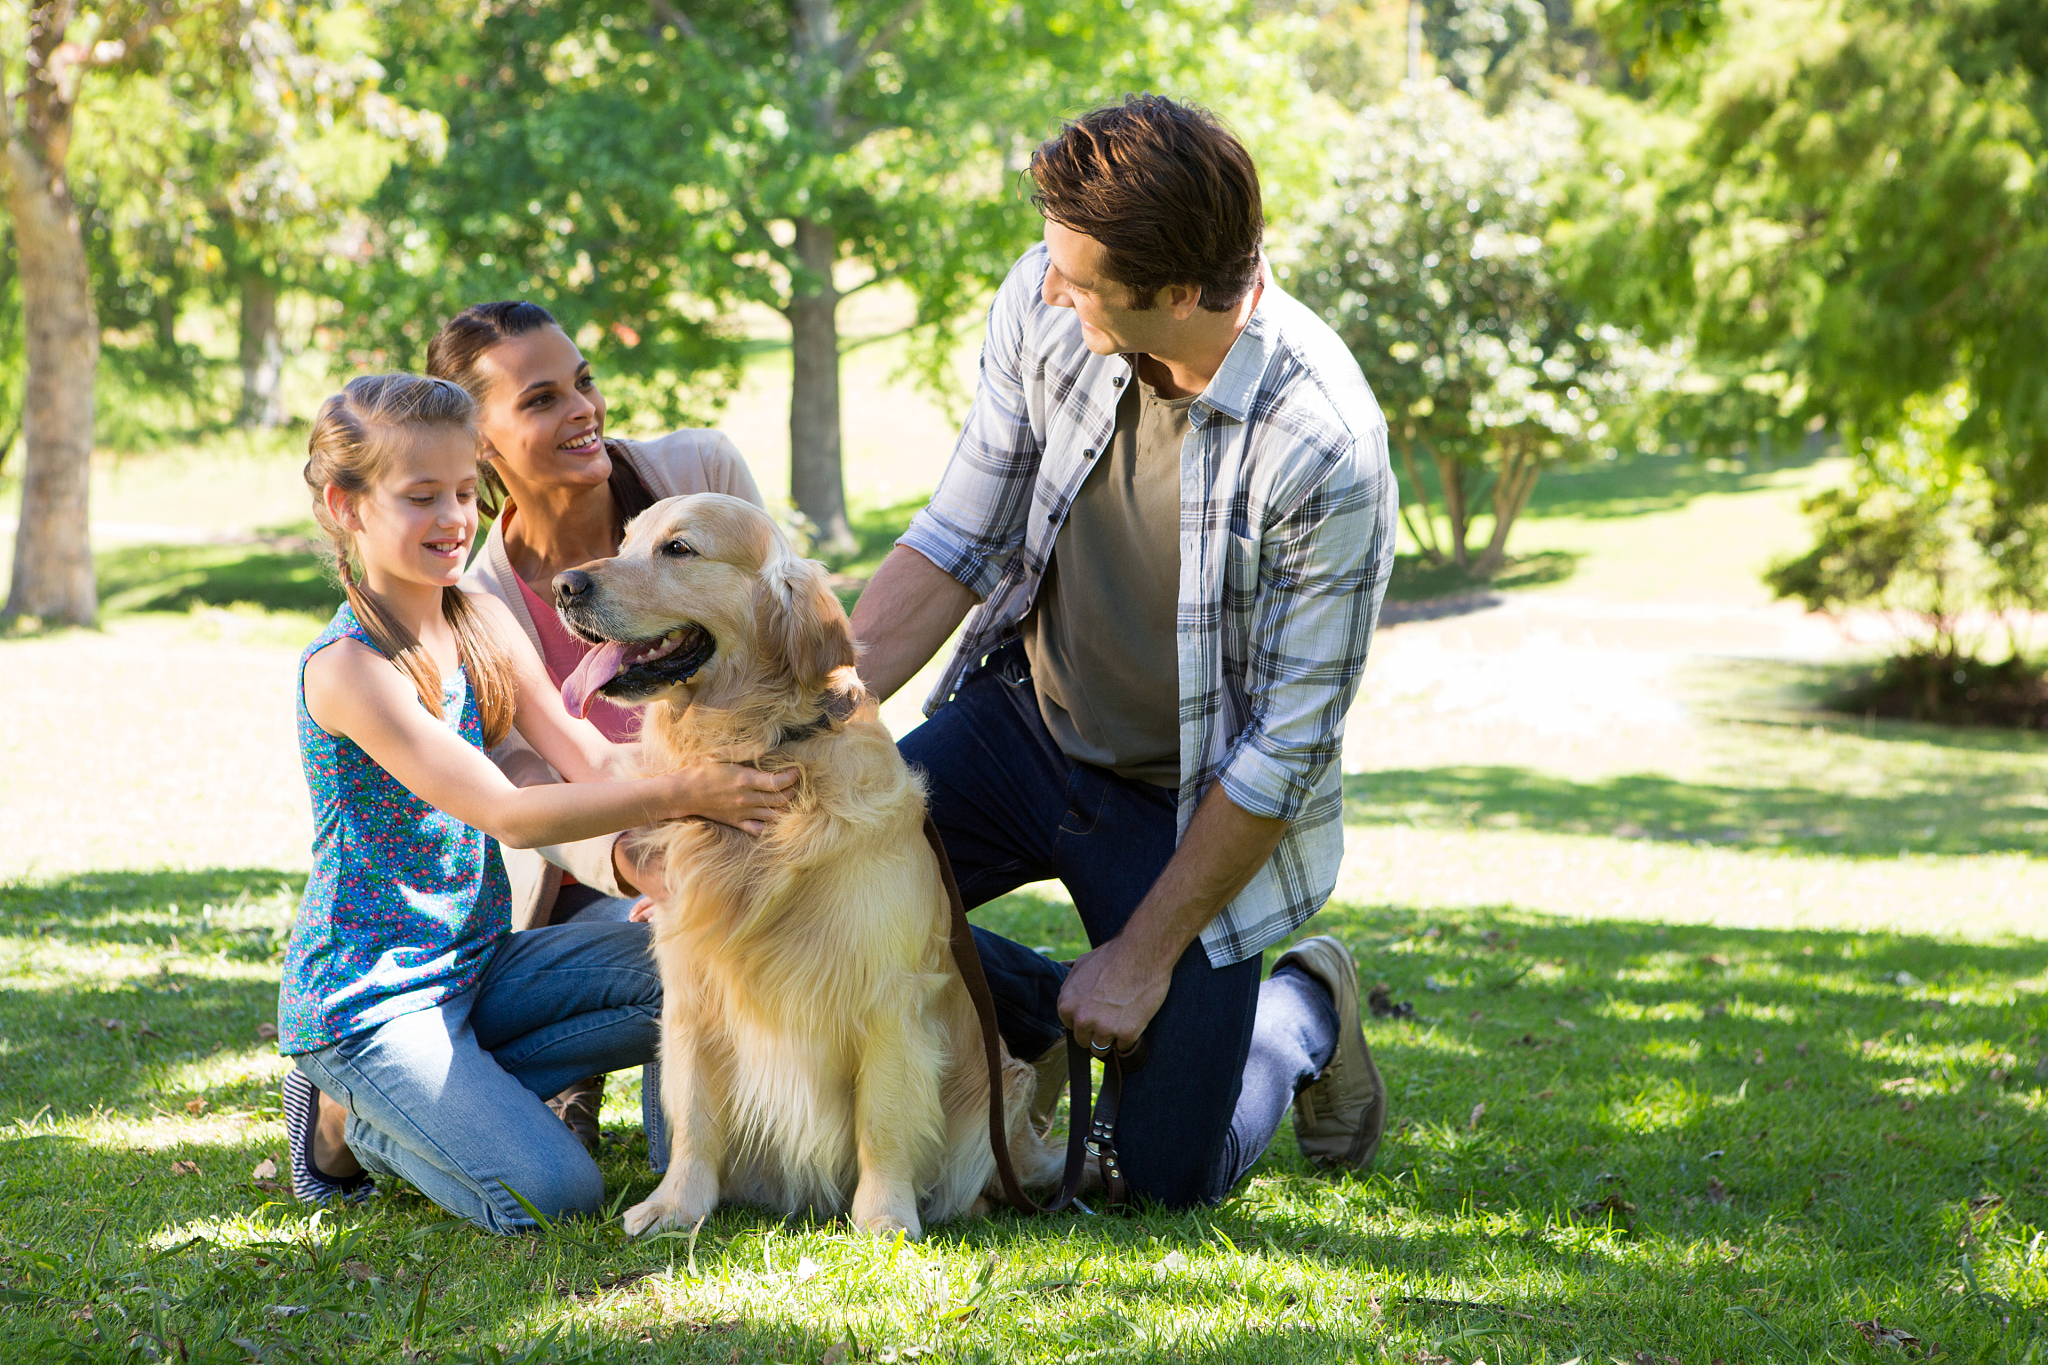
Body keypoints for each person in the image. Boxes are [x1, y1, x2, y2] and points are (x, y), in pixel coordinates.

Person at [849, 95, 1399, 1207]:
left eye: (1078, 277)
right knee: (830, 874)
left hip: (1184, 800)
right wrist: (803, 732)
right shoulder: (1044, 301)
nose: (1047, 287)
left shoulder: (1325, 448)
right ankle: (1062, 998)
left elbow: (1284, 753)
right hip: (1023, 727)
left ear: (1183, 292)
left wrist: (1145, 958)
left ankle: (1297, 1002)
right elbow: (959, 538)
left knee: (1154, 1179)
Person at [279, 373, 794, 1232]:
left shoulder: (479, 616)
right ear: (346, 505)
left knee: (705, 977)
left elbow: (588, 753)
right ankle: (350, 1118)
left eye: (461, 492)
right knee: (554, 1196)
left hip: (479, 966)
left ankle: (445, 1093)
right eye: (419, 498)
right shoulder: (349, 670)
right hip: (370, 998)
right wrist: (689, 791)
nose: (452, 519)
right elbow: (509, 814)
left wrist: (742, 755)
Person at [427, 301, 765, 1148]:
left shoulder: (701, 471)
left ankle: (1034, 1021)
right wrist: (642, 865)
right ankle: (558, 1071)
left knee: (709, 1150)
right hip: (599, 883)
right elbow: (527, 784)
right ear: (480, 445)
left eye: (583, 383)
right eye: (541, 399)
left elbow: (774, 646)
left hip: (751, 829)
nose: (583, 410)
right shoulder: (479, 603)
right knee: (682, 1122)